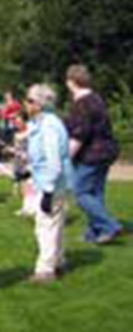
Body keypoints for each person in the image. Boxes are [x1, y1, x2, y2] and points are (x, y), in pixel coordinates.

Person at [64, 64, 123, 245]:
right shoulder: (96, 98)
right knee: (95, 194)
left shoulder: (82, 103)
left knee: (81, 193)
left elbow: (80, 134)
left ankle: (110, 226)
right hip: (106, 152)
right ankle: (94, 233)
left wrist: (65, 156)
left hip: (92, 155)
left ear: (71, 82)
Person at [23, 84, 73, 283]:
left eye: (29, 100)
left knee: (45, 226)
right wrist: (28, 169)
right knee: (54, 224)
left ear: (39, 104)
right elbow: (41, 157)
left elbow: (54, 162)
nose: (25, 104)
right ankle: (58, 261)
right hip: (48, 182)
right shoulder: (41, 123)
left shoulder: (49, 126)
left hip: (51, 184)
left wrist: (48, 192)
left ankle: (45, 270)